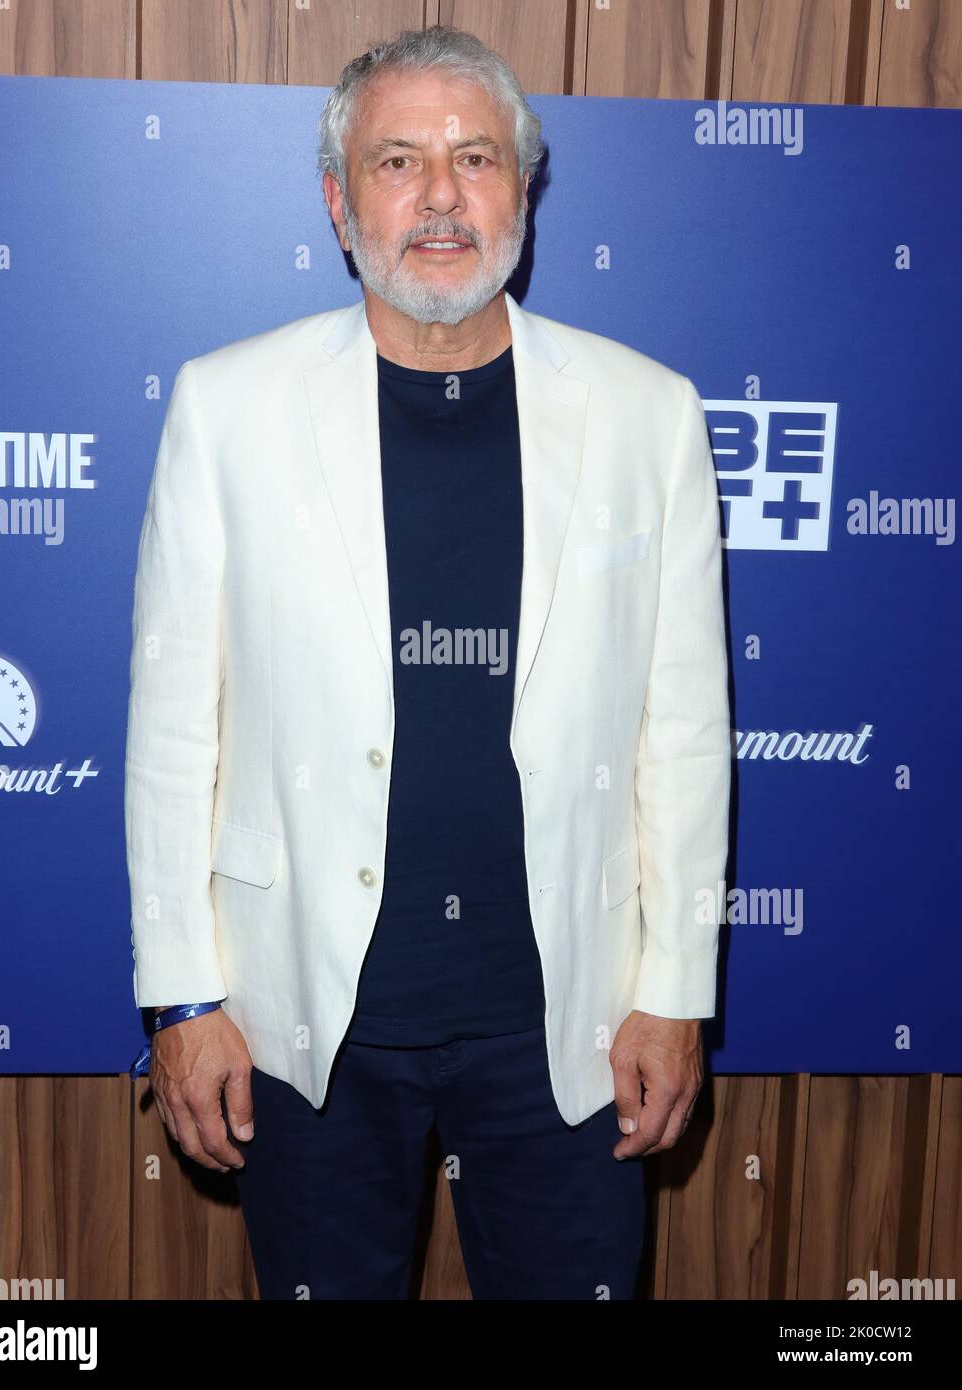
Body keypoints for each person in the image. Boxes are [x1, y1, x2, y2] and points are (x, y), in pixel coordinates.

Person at [124, 23, 731, 1300]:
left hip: (566, 1024)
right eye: (398, 160)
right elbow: (176, 729)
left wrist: (675, 990)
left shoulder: (647, 415)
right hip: (304, 1023)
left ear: (526, 188)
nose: (442, 194)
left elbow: (679, 731)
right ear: (340, 205)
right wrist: (181, 1002)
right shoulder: (226, 408)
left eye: (476, 157)